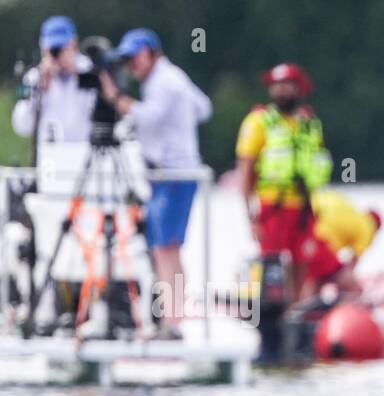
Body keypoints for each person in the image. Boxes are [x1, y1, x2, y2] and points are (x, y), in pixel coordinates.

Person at [99, 29, 212, 332]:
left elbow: (147, 117)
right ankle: (175, 318)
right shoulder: (174, 77)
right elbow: (203, 109)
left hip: (173, 173)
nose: (130, 64)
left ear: (151, 52)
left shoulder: (165, 81)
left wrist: (116, 98)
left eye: (134, 57)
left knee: (164, 249)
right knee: (169, 248)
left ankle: (172, 321)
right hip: (171, 174)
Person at [234, 63, 332, 299]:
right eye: (276, 86)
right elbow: (246, 171)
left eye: (287, 86)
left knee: (303, 264)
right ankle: (271, 317)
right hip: (272, 207)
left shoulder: (309, 124)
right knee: (271, 268)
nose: (281, 92)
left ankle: (297, 314)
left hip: (304, 208)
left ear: (299, 89)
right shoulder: (259, 122)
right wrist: (251, 216)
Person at [10, 16, 96, 149]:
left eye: (63, 48)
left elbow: (101, 115)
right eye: (54, 50)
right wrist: (39, 90)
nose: (58, 54)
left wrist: (75, 72)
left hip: (85, 156)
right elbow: (21, 126)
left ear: (74, 43)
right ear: (43, 49)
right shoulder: (34, 77)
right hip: (49, 159)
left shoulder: (89, 70)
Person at [296, 188, 382, 300]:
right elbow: (351, 266)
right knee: (353, 288)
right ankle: (335, 313)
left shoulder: (352, 211)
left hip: (303, 230)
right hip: (321, 240)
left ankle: (305, 310)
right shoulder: (368, 228)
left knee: (316, 278)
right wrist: (340, 283)